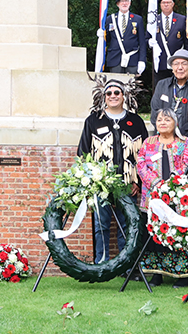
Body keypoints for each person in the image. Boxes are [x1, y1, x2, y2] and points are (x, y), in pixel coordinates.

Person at [78, 78, 148, 263]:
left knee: (127, 225)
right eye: (109, 93)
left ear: (124, 96)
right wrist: (91, 182)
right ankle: (102, 263)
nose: (113, 96)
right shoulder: (93, 120)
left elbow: (144, 155)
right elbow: (83, 153)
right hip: (101, 185)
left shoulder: (136, 121)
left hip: (127, 185)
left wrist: (137, 182)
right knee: (101, 225)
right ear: (104, 96)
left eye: (117, 92)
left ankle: (125, 265)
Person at [136, 108, 188, 287]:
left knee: (178, 233)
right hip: (153, 195)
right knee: (156, 233)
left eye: (167, 119)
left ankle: (183, 275)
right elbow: (141, 164)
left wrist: (171, 186)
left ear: (175, 123)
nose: (162, 122)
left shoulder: (184, 142)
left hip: (178, 197)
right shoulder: (149, 142)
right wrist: (155, 183)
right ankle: (157, 274)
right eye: (159, 120)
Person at [150, 50, 188, 141]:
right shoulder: (162, 85)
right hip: (164, 135)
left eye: (184, 64)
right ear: (172, 67)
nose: (180, 67)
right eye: (176, 64)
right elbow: (155, 111)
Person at [100, 0, 147, 75]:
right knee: (116, 85)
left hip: (132, 60)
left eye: (127, 1)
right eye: (122, 1)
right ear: (118, 4)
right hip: (115, 59)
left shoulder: (137, 19)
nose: (125, 3)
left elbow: (142, 42)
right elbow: (107, 39)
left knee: (131, 87)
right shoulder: (110, 19)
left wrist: (142, 60)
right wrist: (101, 35)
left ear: (130, 3)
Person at [150, 0, 188, 82]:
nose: (166, 5)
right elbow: (147, 38)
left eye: (168, 2)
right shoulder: (154, 20)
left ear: (173, 4)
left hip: (178, 61)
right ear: (160, 5)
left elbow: (186, 41)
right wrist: (150, 42)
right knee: (161, 88)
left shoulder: (182, 19)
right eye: (164, 3)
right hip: (160, 61)